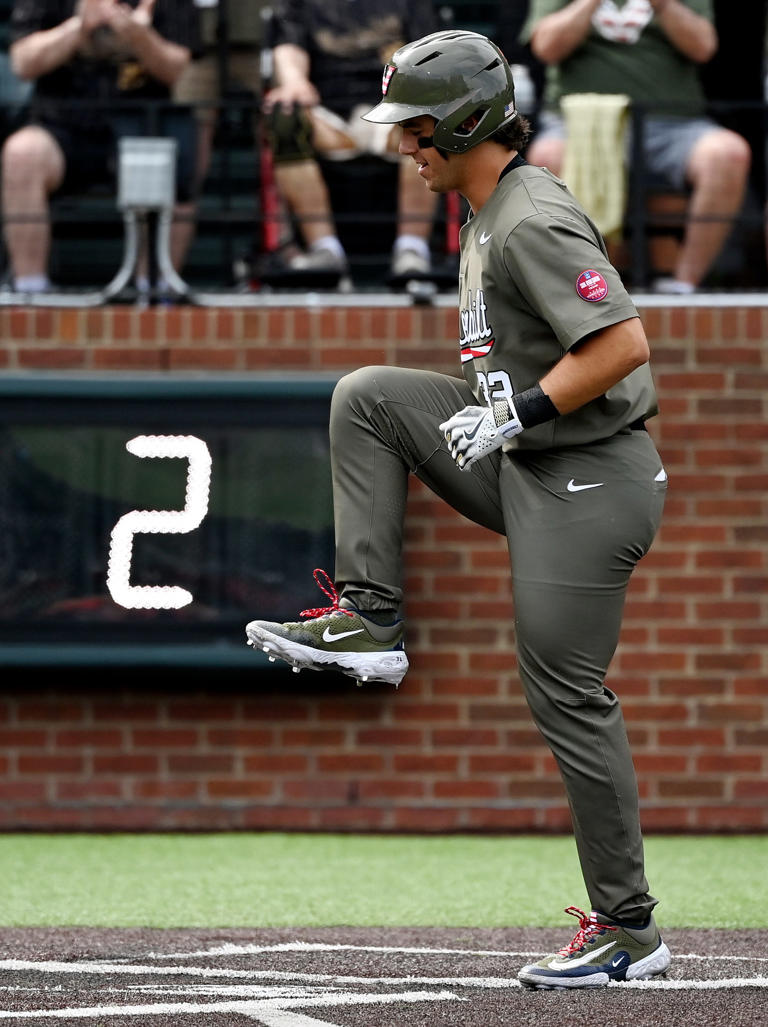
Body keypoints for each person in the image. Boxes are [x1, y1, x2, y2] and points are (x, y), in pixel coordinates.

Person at [246, 29, 672, 988]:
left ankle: (630, 930)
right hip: (526, 454)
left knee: (565, 692)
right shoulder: (481, 209)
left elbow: (624, 344)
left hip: (591, 475)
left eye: (417, 127)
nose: (405, 145)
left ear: (467, 122)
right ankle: (373, 621)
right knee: (370, 394)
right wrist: (507, 421)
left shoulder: (529, 216)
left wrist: (516, 411)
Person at [521, 0, 751, 294]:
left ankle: (684, 283)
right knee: (547, 157)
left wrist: (664, 5)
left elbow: (704, 47)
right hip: (579, 122)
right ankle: (587, 289)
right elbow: (546, 47)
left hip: (674, 124)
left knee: (729, 154)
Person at [2, 0, 198, 297]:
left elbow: (175, 70)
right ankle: (30, 292)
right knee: (22, 153)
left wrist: (138, 34)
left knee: (178, 160)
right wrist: (79, 27)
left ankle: (154, 293)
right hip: (63, 123)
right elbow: (22, 62)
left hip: (140, 125)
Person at [261, 0, 441, 284]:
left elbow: (429, 56)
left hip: (392, 111)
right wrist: (294, 81)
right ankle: (325, 250)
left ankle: (412, 250)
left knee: (428, 113)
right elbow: (288, 48)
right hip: (329, 114)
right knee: (285, 119)